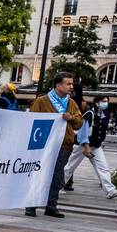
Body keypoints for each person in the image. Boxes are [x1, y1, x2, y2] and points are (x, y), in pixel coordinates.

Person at [26, 72, 81, 218]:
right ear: (58, 85)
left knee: (57, 176)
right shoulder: (42, 101)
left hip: (64, 145)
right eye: (68, 84)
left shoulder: (71, 103)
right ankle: (31, 205)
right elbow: (32, 120)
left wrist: (72, 117)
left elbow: (79, 123)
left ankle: (51, 205)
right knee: (39, 174)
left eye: (72, 84)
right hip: (44, 145)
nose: (71, 86)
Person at [61, 95, 117, 199]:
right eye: (103, 101)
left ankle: (110, 190)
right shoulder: (90, 114)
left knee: (103, 167)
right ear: (97, 102)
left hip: (96, 145)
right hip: (82, 145)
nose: (105, 103)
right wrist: (86, 146)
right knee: (70, 167)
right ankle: (57, 187)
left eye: (107, 101)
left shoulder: (104, 115)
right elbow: (82, 132)